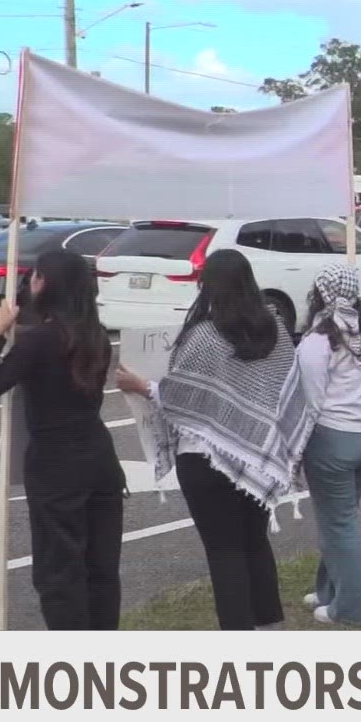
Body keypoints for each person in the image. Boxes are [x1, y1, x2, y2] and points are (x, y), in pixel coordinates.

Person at [117, 250, 313, 631]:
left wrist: (140, 386)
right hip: (257, 457)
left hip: (204, 460)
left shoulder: (202, 336)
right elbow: (288, 394)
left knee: (224, 551)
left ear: (208, 285)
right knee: (255, 542)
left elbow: (176, 396)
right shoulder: (275, 330)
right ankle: (269, 626)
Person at [0, 247, 123, 630]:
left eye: (35, 276)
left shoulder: (41, 340)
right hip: (100, 458)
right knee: (101, 567)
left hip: (57, 464)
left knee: (60, 571)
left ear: (48, 284)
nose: (30, 283)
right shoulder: (96, 336)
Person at [295, 264, 361, 625]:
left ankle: (350, 609)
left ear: (318, 295)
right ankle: (327, 590)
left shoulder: (317, 342)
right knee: (340, 519)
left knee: (339, 524)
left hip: (332, 439)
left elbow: (311, 401)